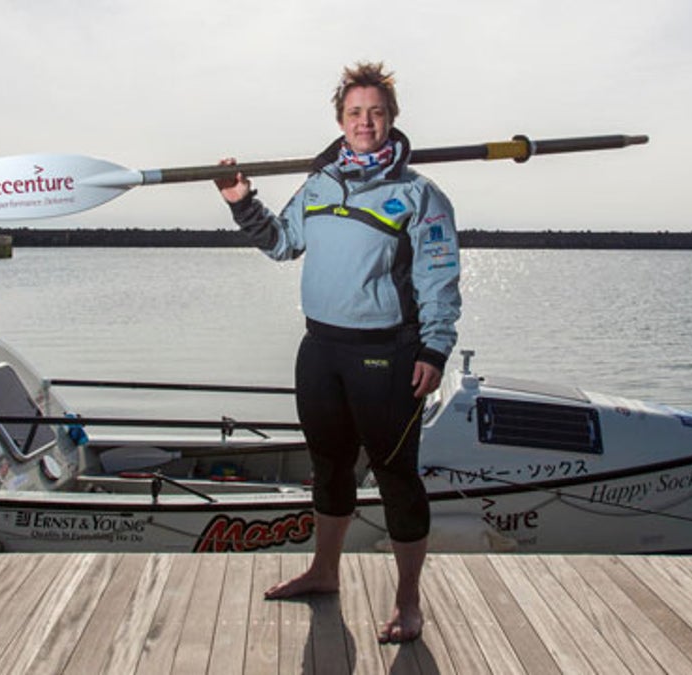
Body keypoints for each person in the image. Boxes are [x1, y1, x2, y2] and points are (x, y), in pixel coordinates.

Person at [214, 61, 461, 643]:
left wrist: (436, 348)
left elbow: (440, 280)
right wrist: (240, 201)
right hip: (321, 351)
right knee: (327, 469)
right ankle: (324, 573)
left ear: (391, 119)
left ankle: (408, 602)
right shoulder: (320, 183)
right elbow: (282, 243)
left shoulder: (420, 195)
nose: (365, 122)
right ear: (341, 120)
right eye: (355, 113)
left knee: (397, 477)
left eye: (376, 112)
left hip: (389, 357)